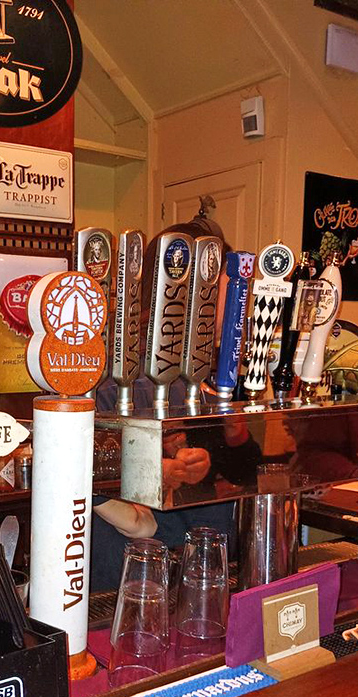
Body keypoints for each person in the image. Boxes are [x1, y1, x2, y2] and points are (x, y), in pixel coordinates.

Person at [90, 211, 262, 592]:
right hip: (136, 572)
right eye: (222, 291)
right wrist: (156, 470)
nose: (236, 305)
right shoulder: (123, 370)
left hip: (206, 560)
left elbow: (243, 472)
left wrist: (234, 439)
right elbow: (93, 469)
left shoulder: (221, 371)